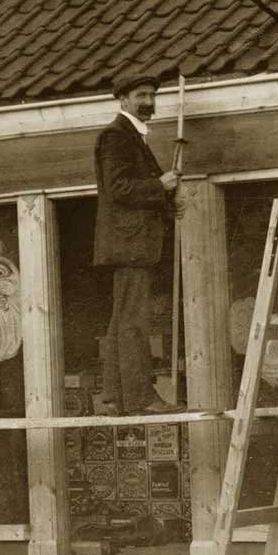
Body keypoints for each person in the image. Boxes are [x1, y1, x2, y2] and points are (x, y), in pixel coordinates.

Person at [92, 73, 181, 415]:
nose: (148, 102)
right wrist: (161, 184)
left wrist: (170, 198)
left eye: (152, 96)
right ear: (123, 100)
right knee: (133, 322)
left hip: (131, 243)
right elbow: (120, 190)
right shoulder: (116, 137)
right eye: (141, 95)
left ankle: (113, 399)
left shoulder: (133, 138)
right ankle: (142, 398)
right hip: (129, 243)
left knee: (121, 321)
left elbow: (134, 188)